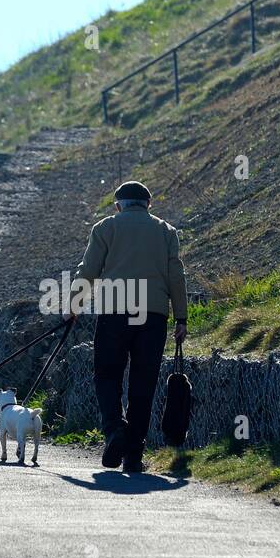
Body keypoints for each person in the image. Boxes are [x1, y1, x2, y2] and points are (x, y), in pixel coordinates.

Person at [64, 180, 187, 474]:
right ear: (149, 204)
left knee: (107, 376)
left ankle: (114, 430)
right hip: (153, 315)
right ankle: (133, 456)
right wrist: (181, 318)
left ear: (118, 205)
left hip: (114, 313)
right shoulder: (165, 231)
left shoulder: (105, 228)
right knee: (143, 385)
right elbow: (176, 275)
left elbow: (89, 270)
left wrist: (73, 307)